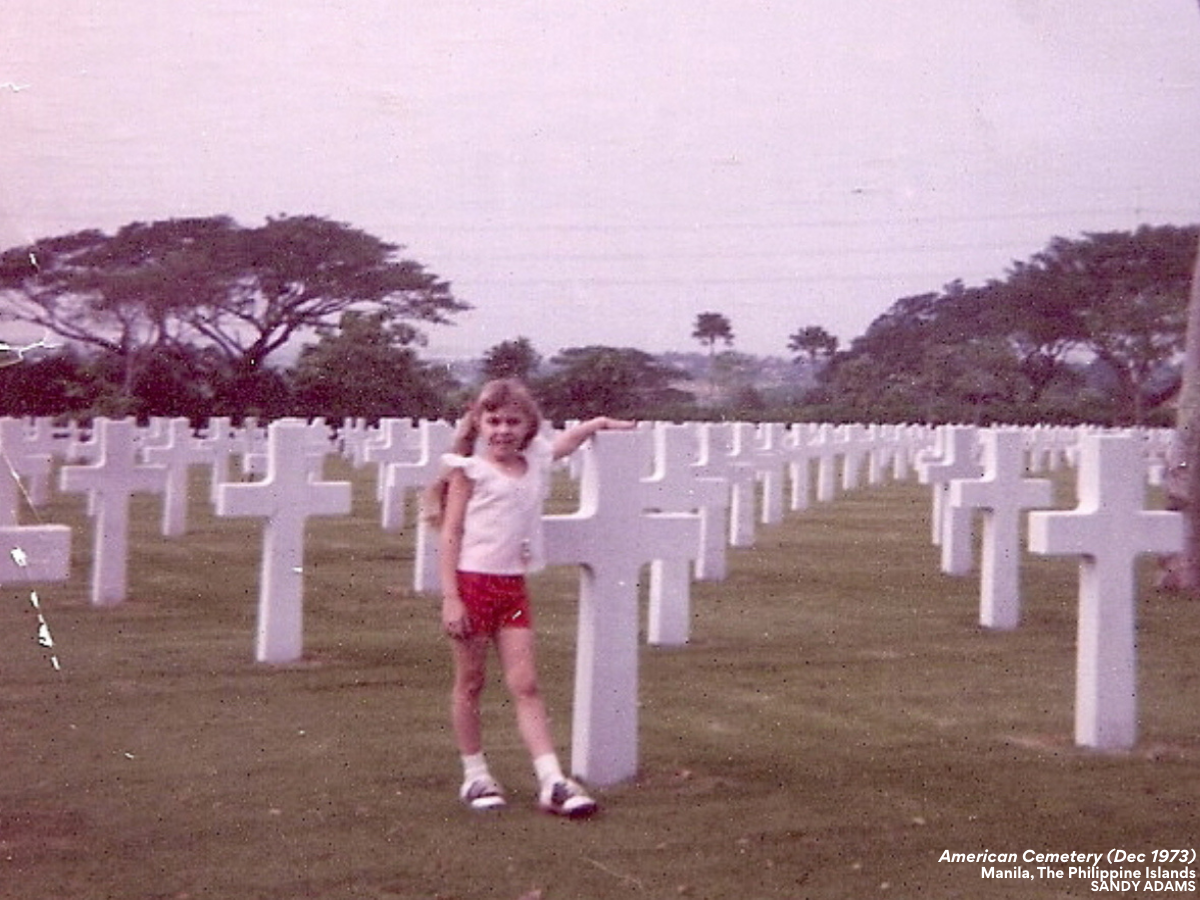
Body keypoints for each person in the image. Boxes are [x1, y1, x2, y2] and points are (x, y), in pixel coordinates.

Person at [423, 378, 635, 817]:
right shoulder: (470, 471)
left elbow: (566, 443)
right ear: (479, 423)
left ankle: (551, 779)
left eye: (512, 422)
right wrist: (450, 597)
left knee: (526, 684)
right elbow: (451, 533)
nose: (502, 430)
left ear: (528, 427)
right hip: (472, 587)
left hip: (512, 589)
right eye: (493, 420)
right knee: (471, 682)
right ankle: (475, 773)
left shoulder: (535, 461)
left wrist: (596, 423)